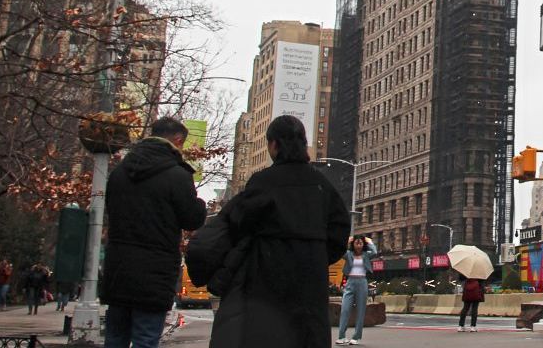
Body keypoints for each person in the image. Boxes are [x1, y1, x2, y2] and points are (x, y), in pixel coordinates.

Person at [208, 115, 350, 348]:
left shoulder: (262, 182)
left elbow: (238, 224)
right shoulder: (321, 185)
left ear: (273, 145)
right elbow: (340, 230)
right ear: (303, 144)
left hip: (266, 278)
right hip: (310, 281)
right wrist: (317, 254)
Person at [102, 117, 208, 348]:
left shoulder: (120, 173)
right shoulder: (178, 175)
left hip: (118, 270)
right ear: (178, 141)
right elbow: (192, 219)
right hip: (154, 273)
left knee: (114, 338)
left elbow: (110, 211)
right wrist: (200, 204)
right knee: (146, 340)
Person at [336, 235, 377, 345]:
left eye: (361, 243)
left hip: (362, 282)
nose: (358, 244)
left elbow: (375, 252)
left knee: (361, 310)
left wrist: (369, 242)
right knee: (345, 309)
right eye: (356, 242)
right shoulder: (348, 254)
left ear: (363, 245)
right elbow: (340, 251)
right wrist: (346, 241)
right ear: (353, 245)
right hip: (350, 282)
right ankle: (341, 336)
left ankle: (356, 336)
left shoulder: (366, 255)